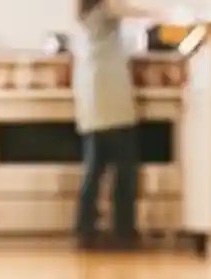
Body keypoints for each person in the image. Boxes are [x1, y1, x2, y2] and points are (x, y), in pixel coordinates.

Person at [72, 0, 175, 250]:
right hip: (109, 92)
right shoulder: (105, 7)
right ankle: (123, 230)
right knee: (125, 168)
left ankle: (86, 229)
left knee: (95, 167)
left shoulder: (85, 11)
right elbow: (131, 10)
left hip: (94, 92)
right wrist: (166, 12)